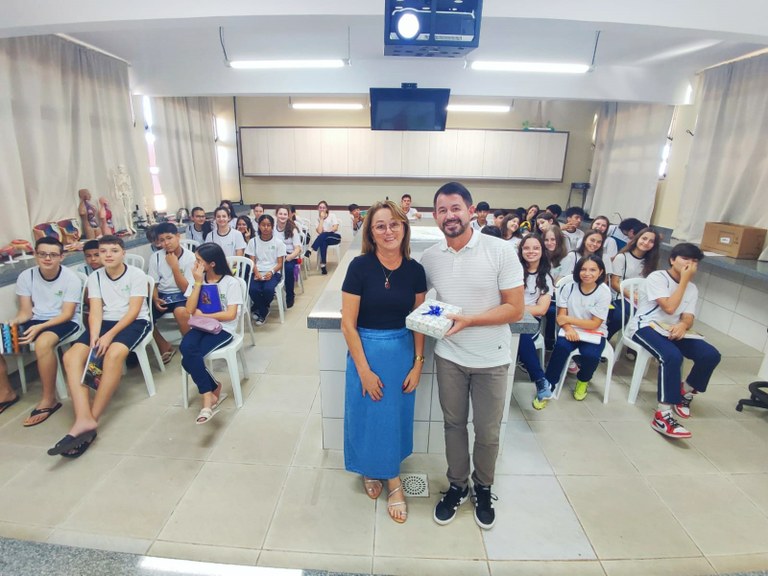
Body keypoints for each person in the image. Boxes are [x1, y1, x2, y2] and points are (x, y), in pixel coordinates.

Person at [421, 182, 524, 530]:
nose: (449, 216)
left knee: (488, 431)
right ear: (435, 216)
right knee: (452, 426)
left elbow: (515, 309)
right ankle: (457, 485)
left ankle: (484, 487)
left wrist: (470, 320)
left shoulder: (500, 251)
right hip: (449, 356)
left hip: (492, 360)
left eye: (455, 208)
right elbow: (430, 305)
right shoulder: (431, 257)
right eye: (442, 210)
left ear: (470, 211)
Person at [341, 200, 427, 525]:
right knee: (367, 415)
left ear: (404, 228)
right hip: (366, 352)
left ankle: (393, 478)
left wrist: (418, 362)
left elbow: (418, 322)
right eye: (380, 225)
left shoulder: (415, 271)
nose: (388, 231)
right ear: (371, 233)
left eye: (394, 224)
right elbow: (347, 324)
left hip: (402, 352)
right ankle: (370, 469)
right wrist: (364, 371)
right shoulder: (359, 267)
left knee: (393, 418)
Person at [50, 235, 152, 458]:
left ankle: (89, 421)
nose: (107, 255)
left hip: (134, 322)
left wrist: (110, 336)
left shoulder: (137, 275)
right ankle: (83, 417)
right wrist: (96, 336)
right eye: (103, 251)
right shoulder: (94, 277)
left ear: (123, 253)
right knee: (71, 358)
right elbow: (95, 310)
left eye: (113, 250)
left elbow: (134, 311)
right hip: (104, 322)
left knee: (114, 354)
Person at [627, 243, 721, 439]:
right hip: (646, 327)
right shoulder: (657, 278)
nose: (690, 264)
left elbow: (688, 316)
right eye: (685, 259)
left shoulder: (692, 288)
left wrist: (683, 325)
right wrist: (684, 281)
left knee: (710, 355)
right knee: (671, 356)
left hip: (673, 330)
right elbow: (669, 308)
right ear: (672, 260)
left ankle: (683, 392)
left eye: (695, 262)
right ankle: (663, 414)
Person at [0, 237, 82, 426]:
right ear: (35, 255)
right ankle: (6, 393)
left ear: (61, 257)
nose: (47, 259)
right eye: (42, 254)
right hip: (36, 319)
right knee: (1, 335)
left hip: (64, 321)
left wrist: (41, 327)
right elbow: (26, 312)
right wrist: (13, 322)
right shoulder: (26, 276)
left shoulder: (71, 278)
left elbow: (67, 314)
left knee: (43, 343)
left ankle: (49, 399)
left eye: (53, 255)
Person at [179, 243, 243, 424]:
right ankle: (212, 390)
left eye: (199, 261)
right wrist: (198, 282)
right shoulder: (197, 278)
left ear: (212, 263)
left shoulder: (231, 282)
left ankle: (207, 398)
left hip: (223, 328)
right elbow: (189, 309)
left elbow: (230, 315)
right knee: (186, 347)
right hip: (200, 325)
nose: (195, 265)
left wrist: (206, 314)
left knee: (188, 358)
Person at [543, 255, 611, 403]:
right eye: (583, 269)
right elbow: (561, 317)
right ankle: (548, 385)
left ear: (600, 272)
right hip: (570, 330)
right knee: (560, 348)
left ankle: (583, 381)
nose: (587, 273)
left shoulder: (604, 292)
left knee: (591, 355)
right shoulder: (569, 287)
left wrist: (568, 320)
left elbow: (594, 324)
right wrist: (568, 328)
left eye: (593, 270)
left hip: (594, 333)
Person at [516, 236, 556, 410]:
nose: (531, 252)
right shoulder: (513, 270)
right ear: (521, 250)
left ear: (542, 251)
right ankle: (541, 380)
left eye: (536, 248)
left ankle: (540, 380)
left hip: (530, 320)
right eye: (527, 248)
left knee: (520, 335)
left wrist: (515, 308)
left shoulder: (546, 277)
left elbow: (541, 309)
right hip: (508, 316)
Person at [148, 222, 195, 363]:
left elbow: (186, 289)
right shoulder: (155, 257)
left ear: (178, 237)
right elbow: (153, 283)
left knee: (181, 312)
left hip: (183, 294)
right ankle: (164, 346)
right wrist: (155, 298)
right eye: (162, 240)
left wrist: (174, 266)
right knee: (142, 314)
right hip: (162, 295)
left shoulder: (190, 257)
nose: (166, 243)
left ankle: (190, 347)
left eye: (169, 238)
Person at [606, 227, 661, 341]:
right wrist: (632, 296)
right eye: (644, 238)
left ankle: (638, 344)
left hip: (640, 300)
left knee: (653, 318)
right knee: (621, 317)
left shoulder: (651, 262)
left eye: (651, 241)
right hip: (620, 297)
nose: (646, 243)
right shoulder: (622, 257)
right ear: (637, 238)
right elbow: (615, 284)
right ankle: (605, 340)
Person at [245, 214, 286, 325]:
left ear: (272, 227)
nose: (266, 227)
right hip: (257, 271)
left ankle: (261, 311)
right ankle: (264, 309)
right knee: (252, 289)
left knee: (268, 289)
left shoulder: (278, 243)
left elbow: (280, 264)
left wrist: (271, 272)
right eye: (263, 225)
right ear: (259, 226)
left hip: (273, 272)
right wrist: (256, 273)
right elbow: (252, 261)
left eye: (268, 225)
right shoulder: (253, 242)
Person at [542, 226, 569, 350]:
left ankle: (550, 342)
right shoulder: (540, 254)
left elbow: (559, 282)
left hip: (555, 294)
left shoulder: (566, 258)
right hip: (540, 291)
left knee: (552, 311)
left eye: (553, 239)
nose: (549, 243)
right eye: (546, 240)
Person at [275, 205, 301, 308]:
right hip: (275, 255)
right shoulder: (272, 227)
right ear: (276, 215)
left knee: (288, 269)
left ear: (288, 215)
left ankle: (290, 295)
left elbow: (298, 249)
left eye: (285, 214)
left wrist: (289, 257)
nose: (282, 216)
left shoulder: (292, 229)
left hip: (289, 255)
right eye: (280, 214)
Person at [309, 200, 341, 275]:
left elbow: (335, 228)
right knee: (323, 241)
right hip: (324, 239)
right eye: (320, 207)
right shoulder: (318, 219)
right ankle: (323, 265)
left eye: (324, 207)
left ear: (326, 209)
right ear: (318, 209)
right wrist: (322, 219)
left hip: (335, 237)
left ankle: (311, 249)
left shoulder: (332, 215)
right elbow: (320, 231)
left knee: (323, 235)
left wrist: (326, 231)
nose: (322, 209)